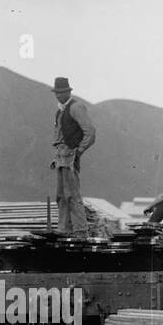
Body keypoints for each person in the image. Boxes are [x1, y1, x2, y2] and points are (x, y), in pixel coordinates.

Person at [50, 77, 96, 237]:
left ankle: (80, 230)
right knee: (61, 196)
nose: (58, 95)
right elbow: (60, 138)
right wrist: (57, 157)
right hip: (60, 156)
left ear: (68, 92)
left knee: (73, 195)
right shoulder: (60, 111)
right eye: (57, 93)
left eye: (61, 92)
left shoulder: (76, 107)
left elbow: (90, 132)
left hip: (69, 156)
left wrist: (79, 150)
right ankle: (64, 229)